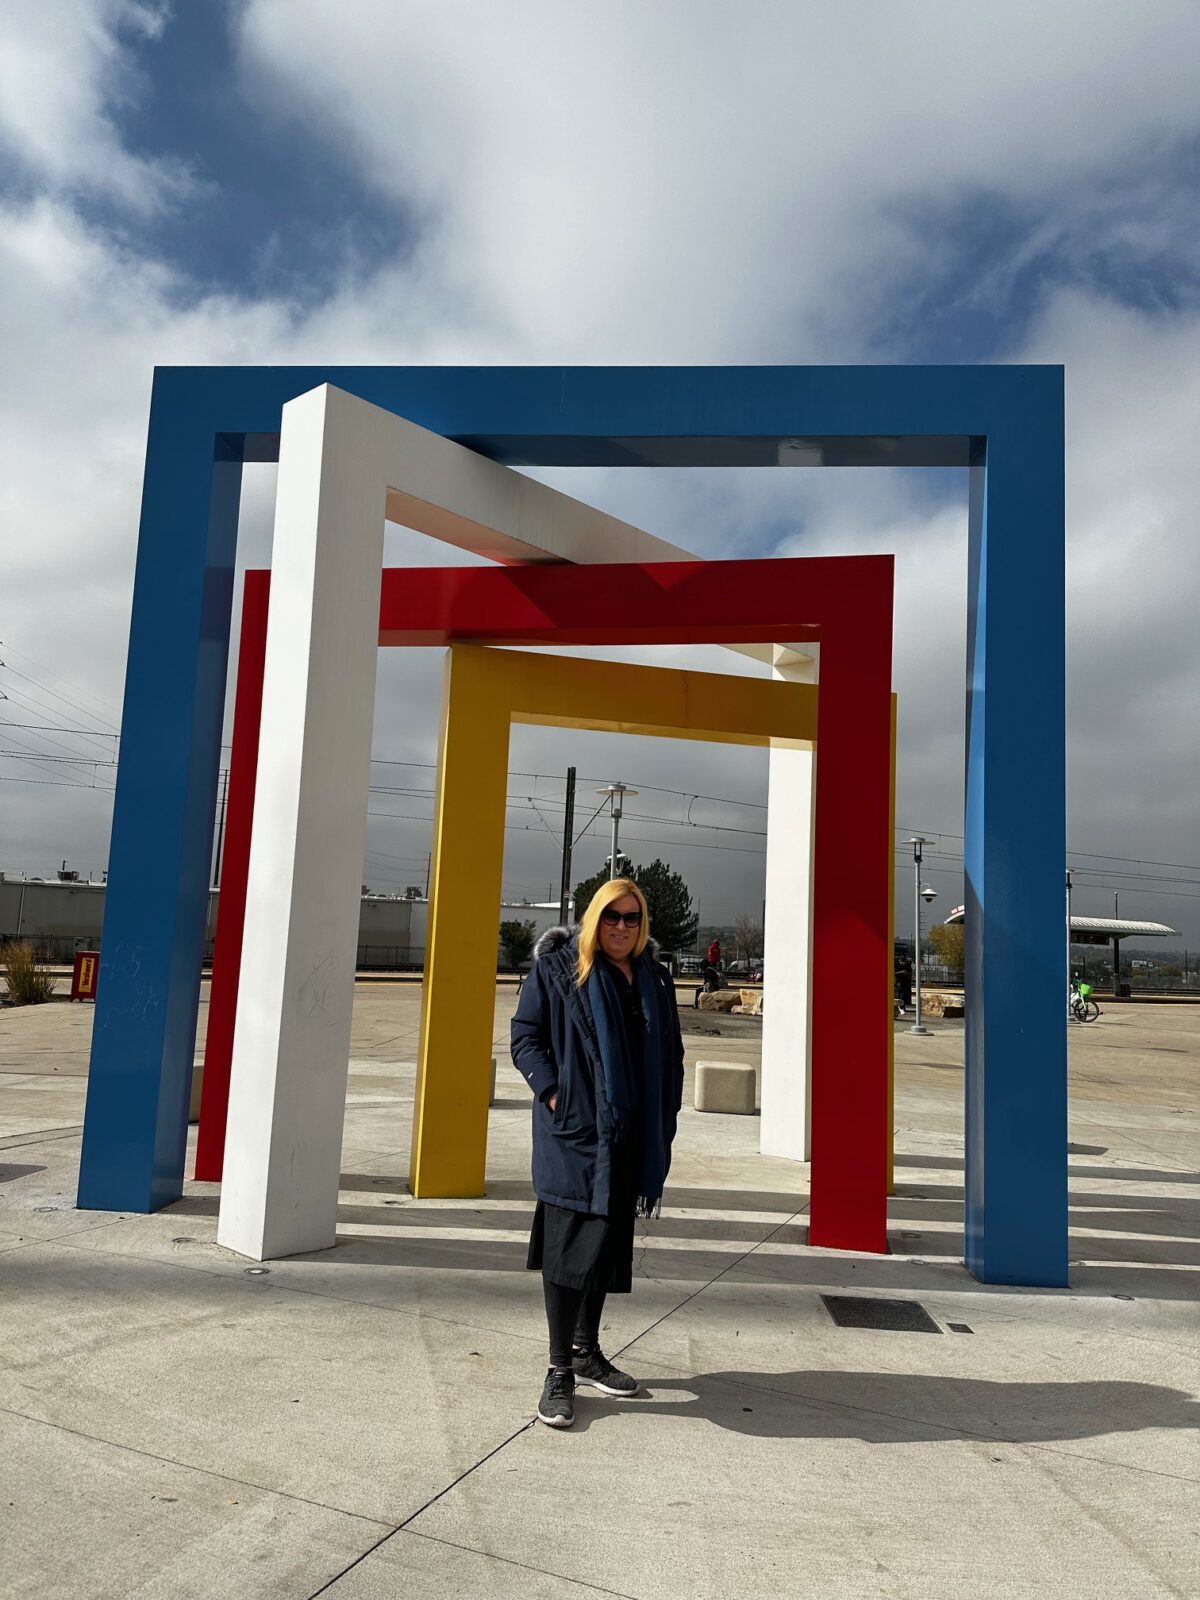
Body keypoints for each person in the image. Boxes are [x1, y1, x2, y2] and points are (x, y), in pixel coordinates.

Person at [511, 878, 685, 1429]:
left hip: (632, 1137)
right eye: (612, 916)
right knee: (567, 1254)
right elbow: (525, 1036)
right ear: (594, 919)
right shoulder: (562, 970)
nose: (622, 927)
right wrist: (555, 1091)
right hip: (578, 1137)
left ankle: (587, 1351)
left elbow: (672, 1053)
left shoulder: (654, 978)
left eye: (632, 918)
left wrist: (667, 1111)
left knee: (605, 1250)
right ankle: (559, 1368)